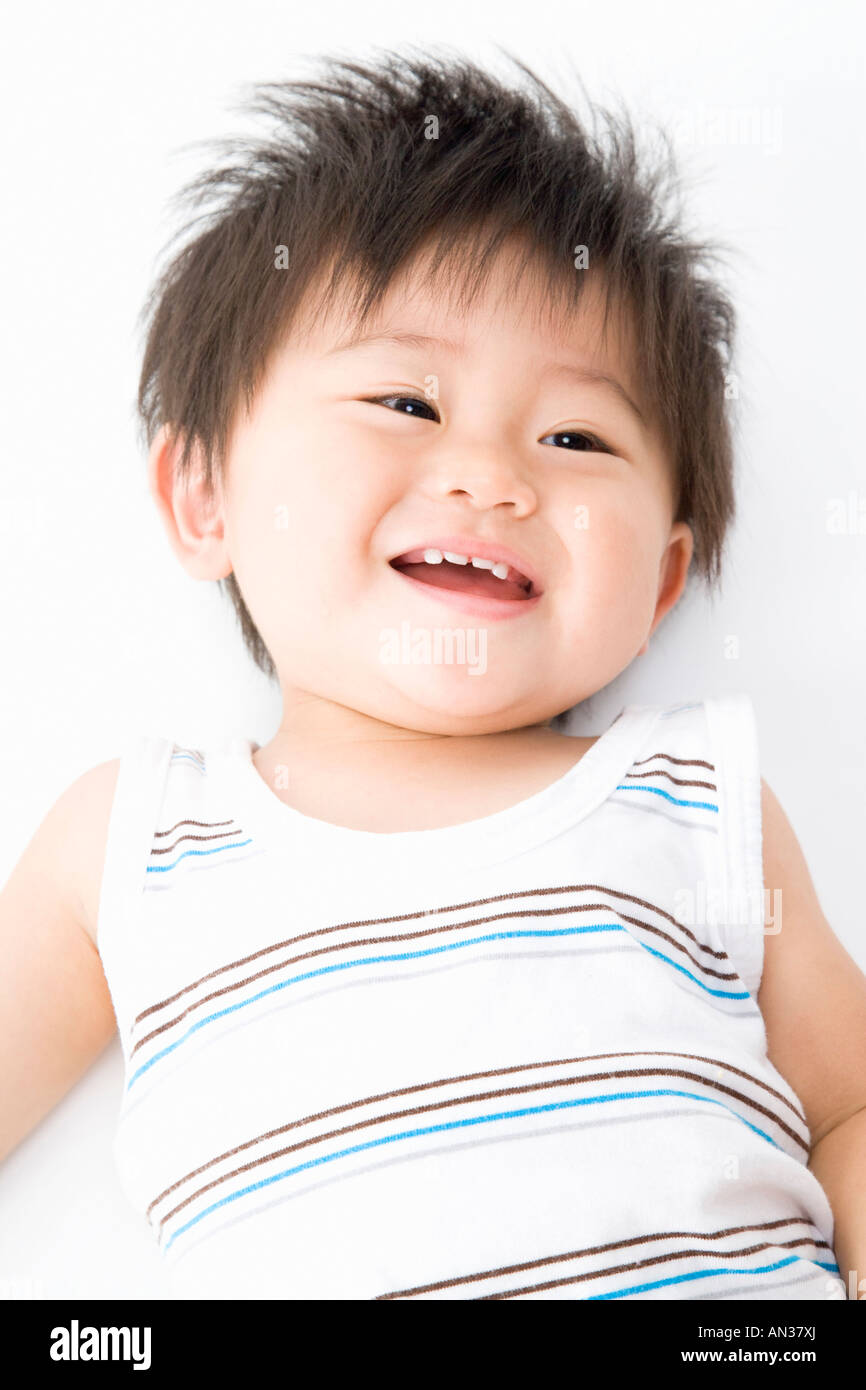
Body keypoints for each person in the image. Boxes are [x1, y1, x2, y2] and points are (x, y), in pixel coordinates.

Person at [3, 47, 865, 1300]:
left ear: (661, 584)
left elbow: (845, 1109)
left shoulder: (693, 798)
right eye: (405, 401)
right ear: (204, 496)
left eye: (574, 436)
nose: (491, 477)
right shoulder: (134, 842)